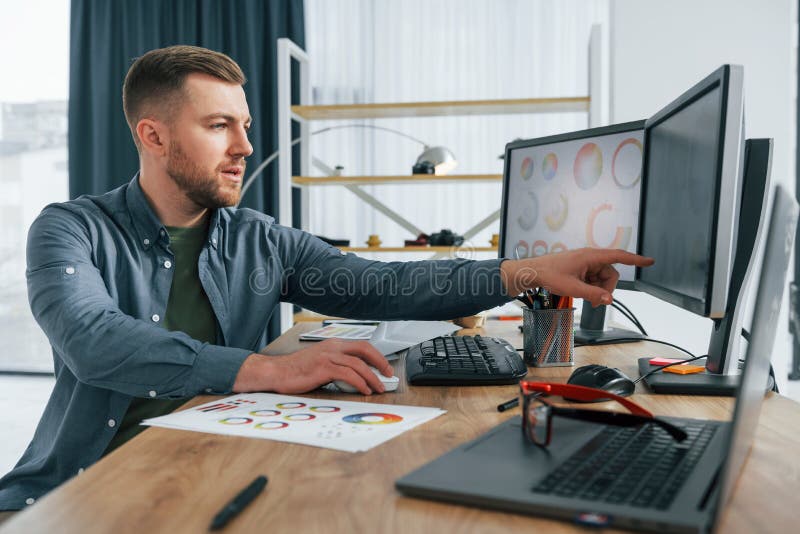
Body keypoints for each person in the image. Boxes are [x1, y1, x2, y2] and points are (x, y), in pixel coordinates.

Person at [0, 45, 653, 511]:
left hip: (214, 465)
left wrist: (528, 271)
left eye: (246, 126)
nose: (245, 147)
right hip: (77, 491)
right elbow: (93, 340)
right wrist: (271, 370)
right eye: (219, 125)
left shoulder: (263, 241)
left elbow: (386, 285)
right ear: (154, 135)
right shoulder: (70, 229)